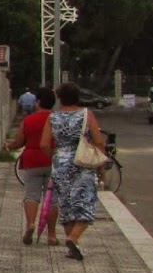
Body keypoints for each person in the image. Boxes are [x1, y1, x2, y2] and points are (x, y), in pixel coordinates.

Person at [40, 81, 106, 261]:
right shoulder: (87, 114)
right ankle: (73, 238)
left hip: (61, 162)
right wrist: (101, 164)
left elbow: (44, 144)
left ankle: (72, 246)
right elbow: (98, 141)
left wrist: (57, 155)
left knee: (66, 204)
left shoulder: (52, 117)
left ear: (60, 98)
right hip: (82, 162)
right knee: (86, 202)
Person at [7, 86, 58, 246]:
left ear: (38, 102)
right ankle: (51, 235)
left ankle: (30, 224)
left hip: (32, 160)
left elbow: (19, 142)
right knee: (52, 199)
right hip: (53, 160)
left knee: (31, 195)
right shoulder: (58, 119)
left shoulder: (28, 120)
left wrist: (9, 146)